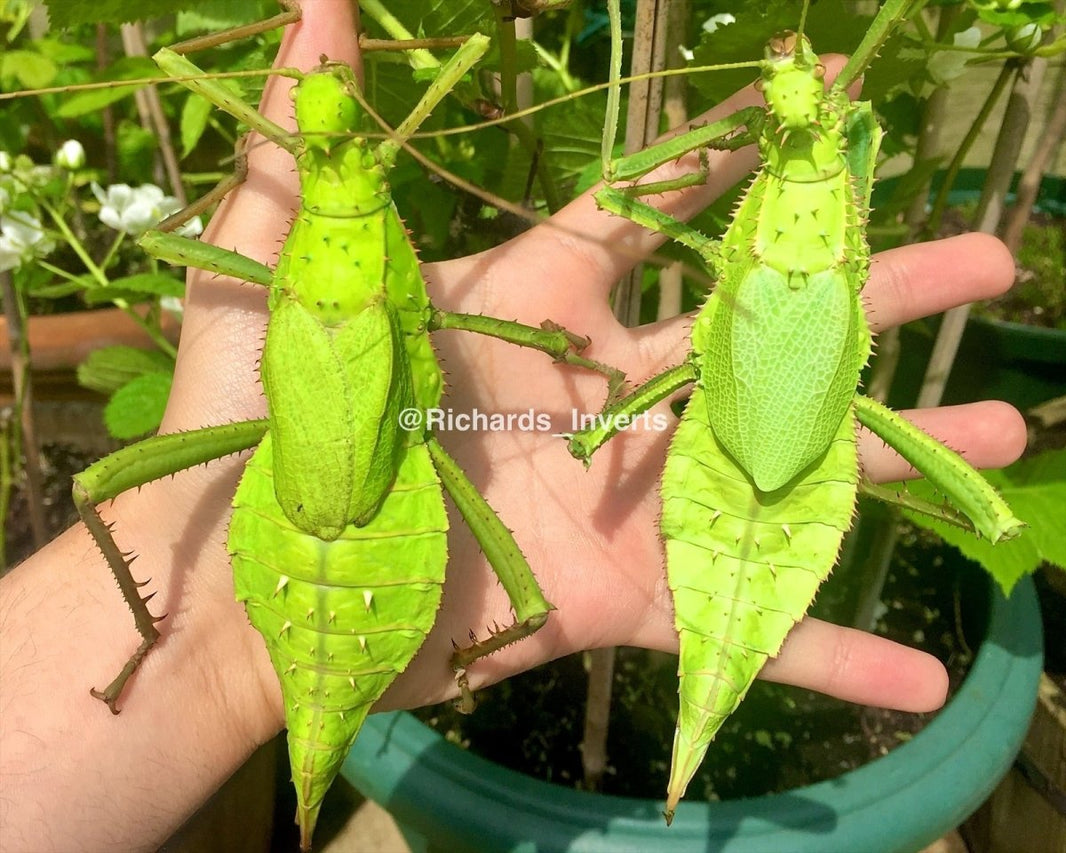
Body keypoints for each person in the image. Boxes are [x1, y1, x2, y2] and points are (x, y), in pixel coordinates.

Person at [0, 2, 1027, 850]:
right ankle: (167, 654)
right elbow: (466, 324)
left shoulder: (288, 258)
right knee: (517, 598)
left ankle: (156, 648)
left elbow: (187, 73)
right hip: (382, 507)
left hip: (359, 499)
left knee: (101, 489)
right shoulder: (397, 276)